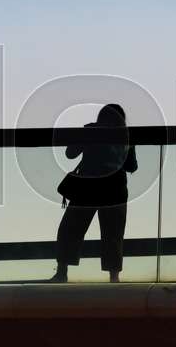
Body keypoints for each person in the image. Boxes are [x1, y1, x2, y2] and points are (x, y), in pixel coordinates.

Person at [52, 103, 138, 283]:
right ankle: (114, 277)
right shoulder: (126, 136)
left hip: (88, 186)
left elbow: (70, 153)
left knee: (70, 229)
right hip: (115, 187)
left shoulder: (90, 130)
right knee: (113, 234)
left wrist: (84, 137)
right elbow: (132, 166)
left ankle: (62, 272)